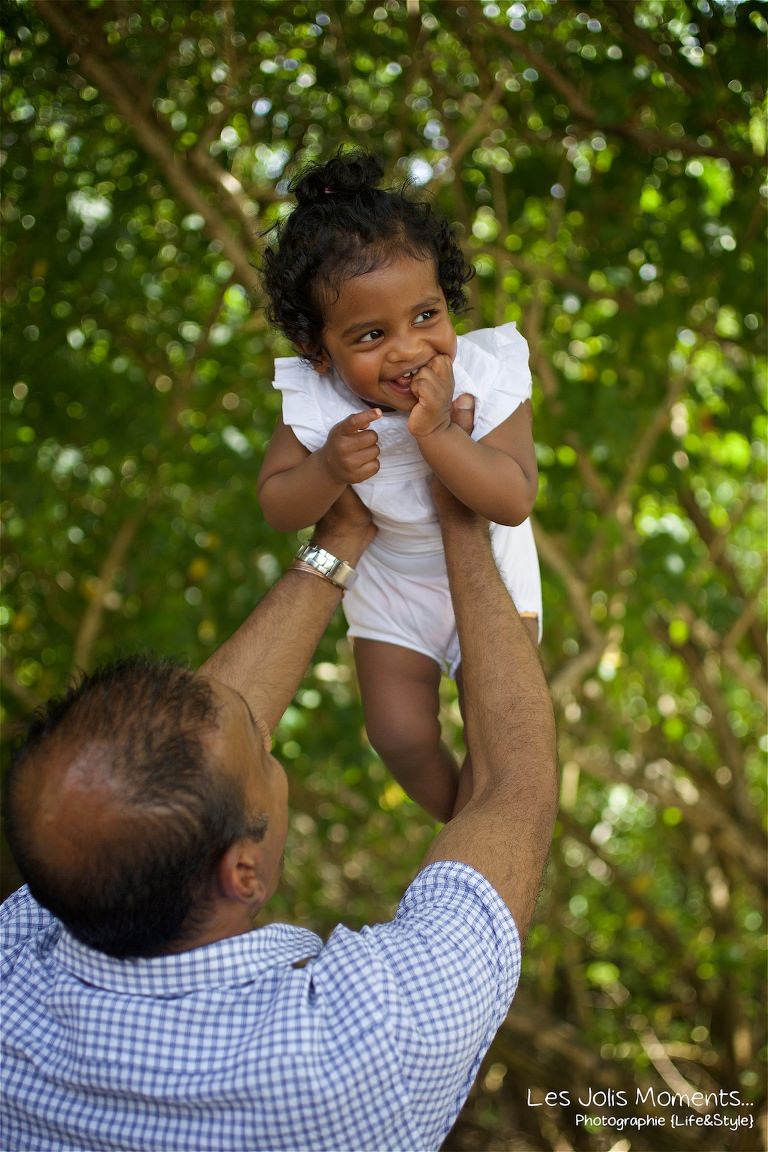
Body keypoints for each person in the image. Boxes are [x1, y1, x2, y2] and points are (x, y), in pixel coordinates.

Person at [1, 473, 558, 1152]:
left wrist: (341, 535)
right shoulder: (360, 1049)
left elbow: (196, 741)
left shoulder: (15, 963)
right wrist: (466, 532)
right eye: (265, 760)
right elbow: (512, 786)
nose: (268, 743)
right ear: (242, 872)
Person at [258, 150, 542, 822]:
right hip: (390, 585)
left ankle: (495, 823)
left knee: (497, 724)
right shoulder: (319, 402)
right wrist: (324, 470)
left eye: (426, 315)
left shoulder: (486, 374)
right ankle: (463, 825)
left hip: (490, 571)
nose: (409, 349)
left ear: (449, 299)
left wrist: (440, 434)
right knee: (398, 734)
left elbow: (512, 497)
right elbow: (276, 502)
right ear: (319, 350)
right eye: (371, 335)